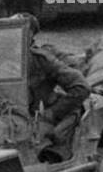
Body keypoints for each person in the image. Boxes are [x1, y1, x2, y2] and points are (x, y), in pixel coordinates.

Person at [20, 14, 90, 162]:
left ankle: (58, 159)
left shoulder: (41, 60)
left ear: (29, 35)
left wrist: (53, 112)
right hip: (9, 118)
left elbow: (81, 87)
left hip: (37, 119)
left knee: (44, 146)